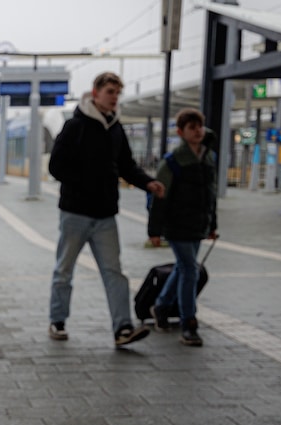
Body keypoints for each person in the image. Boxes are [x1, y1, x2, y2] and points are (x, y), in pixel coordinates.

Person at [47, 72, 164, 347]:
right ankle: (58, 320)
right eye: (110, 92)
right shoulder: (75, 126)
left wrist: (148, 183)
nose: (114, 98)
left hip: (105, 216)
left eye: (117, 93)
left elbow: (126, 165)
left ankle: (123, 328)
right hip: (75, 213)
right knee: (64, 270)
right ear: (95, 92)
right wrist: (86, 181)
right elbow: (56, 166)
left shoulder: (115, 128)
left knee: (114, 272)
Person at [147, 108, 218, 347]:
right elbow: (159, 197)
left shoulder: (208, 158)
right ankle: (189, 323)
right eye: (191, 127)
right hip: (176, 224)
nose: (198, 131)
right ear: (180, 132)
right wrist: (154, 231)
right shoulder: (172, 162)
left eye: (200, 126)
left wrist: (212, 224)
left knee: (183, 267)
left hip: (198, 223)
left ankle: (161, 306)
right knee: (190, 269)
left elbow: (211, 194)